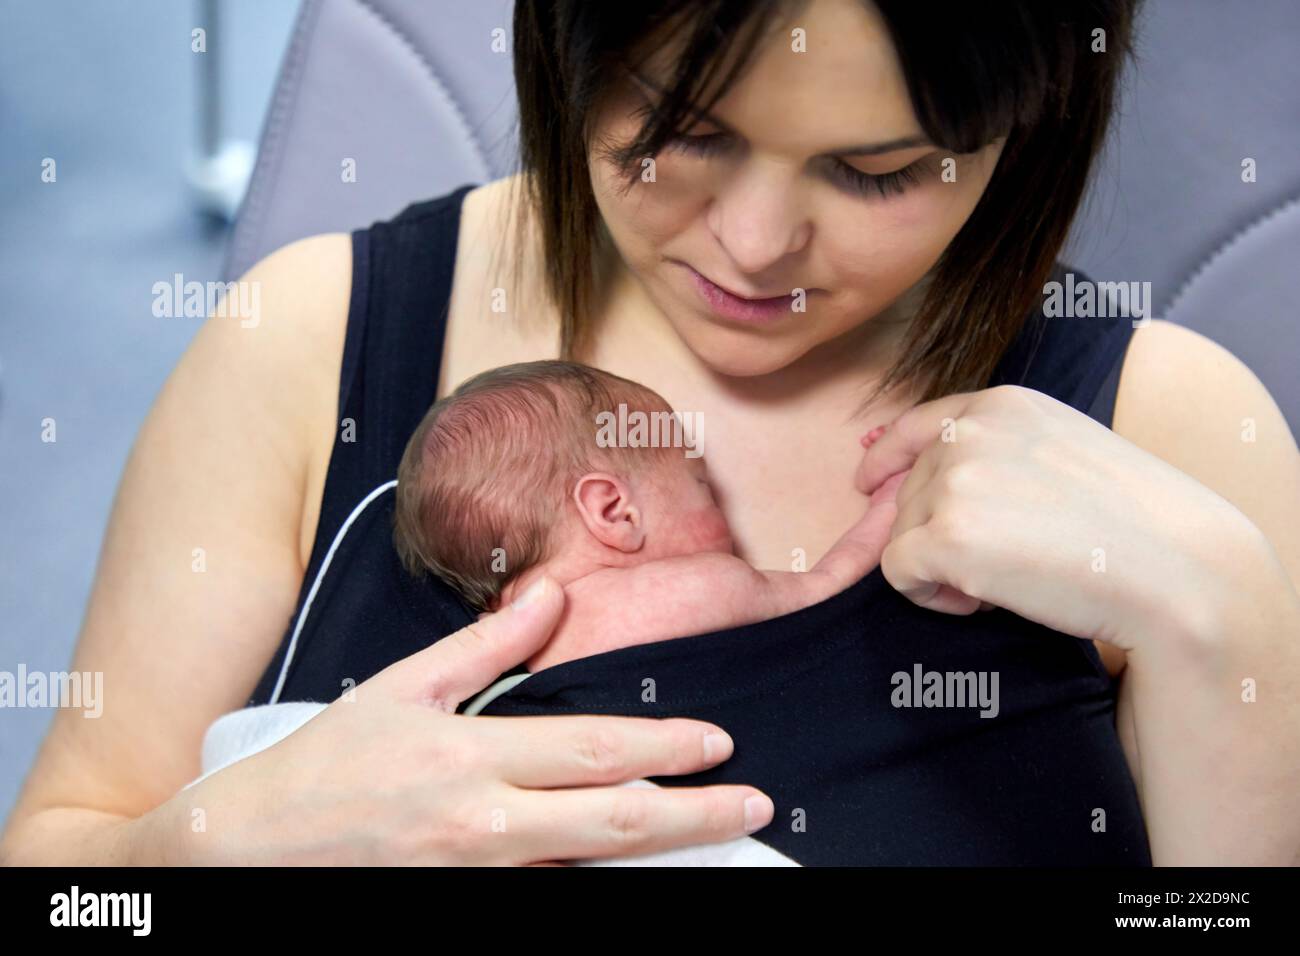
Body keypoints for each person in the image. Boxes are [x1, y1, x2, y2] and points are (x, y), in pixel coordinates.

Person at [4, 0, 1298, 866]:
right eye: (683, 135)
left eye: (879, 171)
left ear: (1033, 121)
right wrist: (215, 845)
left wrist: (1226, 628)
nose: (754, 247)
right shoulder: (310, 340)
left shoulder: (1172, 439)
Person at [391, 359, 911, 673]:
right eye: (701, 486)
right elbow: (831, 584)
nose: (722, 505)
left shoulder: (482, 643)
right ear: (615, 512)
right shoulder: (687, 592)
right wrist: (896, 492)